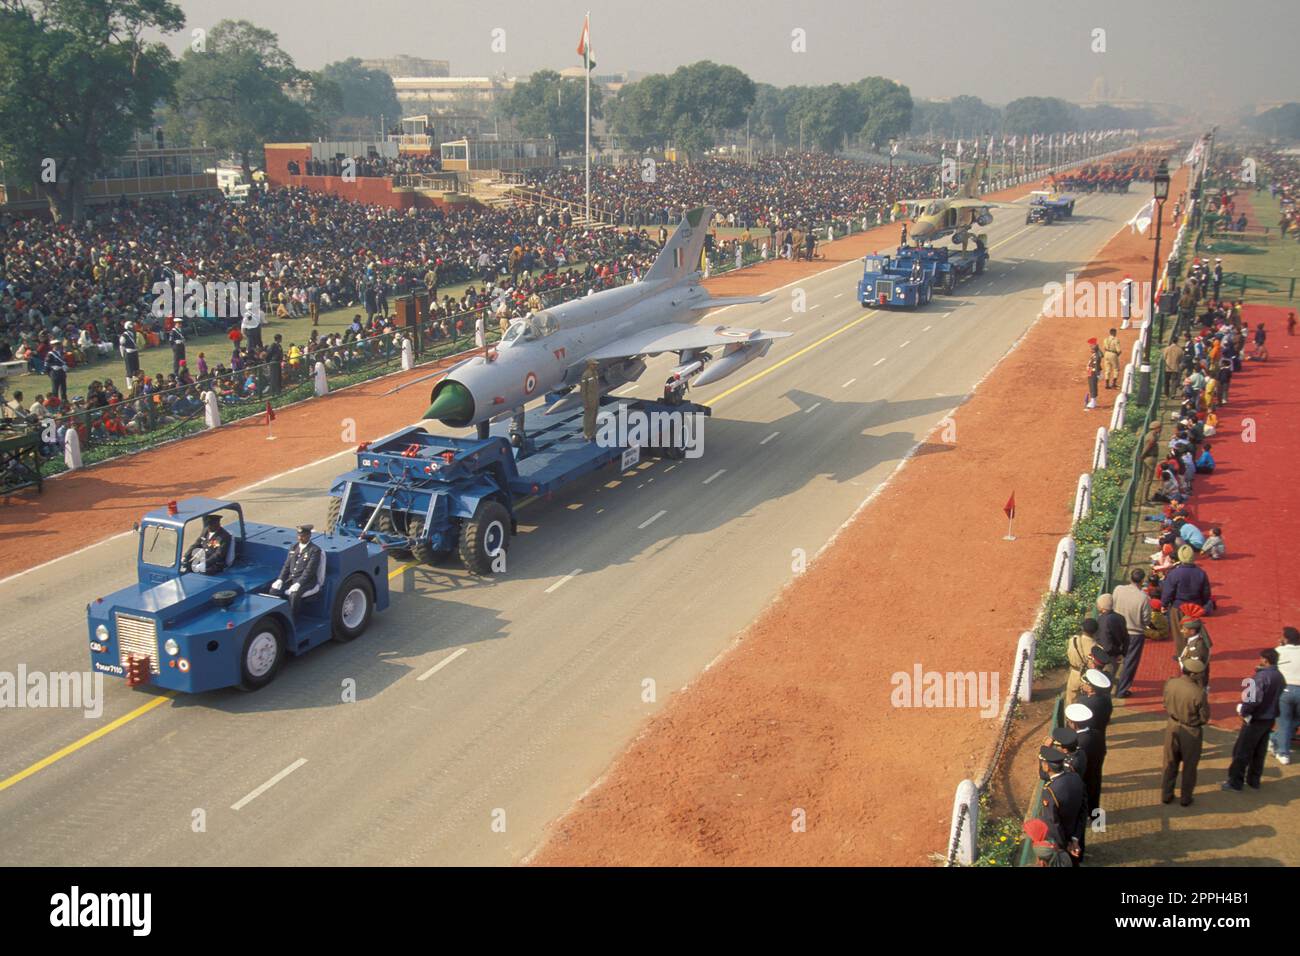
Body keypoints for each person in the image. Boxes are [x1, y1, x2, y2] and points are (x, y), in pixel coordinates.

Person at [1222, 649, 1285, 792]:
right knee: (1259, 751)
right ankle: (1254, 780)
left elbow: (1253, 699)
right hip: (1269, 719)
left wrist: (1244, 711)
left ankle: (1235, 783)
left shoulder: (1261, 677)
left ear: (1265, 660)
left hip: (1255, 719)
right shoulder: (1280, 676)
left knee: (1241, 751)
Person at [1161, 657, 1209, 806]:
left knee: (1169, 762)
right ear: (1194, 674)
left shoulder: (1171, 683)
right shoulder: (1199, 693)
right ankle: (1186, 798)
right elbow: (1205, 717)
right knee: (1189, 766)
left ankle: (1166, 794)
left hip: (1172, 725)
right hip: (1191, 730)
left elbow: (1165, 703)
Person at [1038, 745, 1085, 865]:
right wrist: (1075, 839)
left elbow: (1053, 823)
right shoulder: (1076, 777)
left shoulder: (1050, 791)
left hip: (1060, 844)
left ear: (1046, 766)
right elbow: (1083, 809)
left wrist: (1065, 845)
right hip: (1075, 835)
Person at [1161, 546, 1212, 645]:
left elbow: (1168, 591)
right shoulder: (1201, 573)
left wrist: (1164, 604)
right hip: (1194, 608)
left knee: (1179, 633)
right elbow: (1206, 592)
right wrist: (1203, 603)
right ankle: (1195, 651)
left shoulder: (1174, 573)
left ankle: (1181, 654)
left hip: (1178, 607)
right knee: (1194, 632)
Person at [1112, 569, 1151, 698]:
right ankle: (1121, 691)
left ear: (1130, 578)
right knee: (1129, 663)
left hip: (1117, 630)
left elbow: (1112, 605)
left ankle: (1105, 686)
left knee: (1113, 660)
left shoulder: (1118, 589)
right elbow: (1146, 620)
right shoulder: (1144, 598)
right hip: (1134, 634)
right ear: (1142, 581)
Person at [269, 525, 324, 617]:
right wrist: (280, 579)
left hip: (307, 581)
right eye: (299, 535)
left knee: (294, 595)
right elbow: (287, 566)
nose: (300, 538)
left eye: (303, 536)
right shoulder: (294, 547)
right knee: (273, 591)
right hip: (291, 579)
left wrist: (299, 583)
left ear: (309, 536)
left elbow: (309, 570)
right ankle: (279, 615)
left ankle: (292, 617)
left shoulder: (314, 550)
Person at [1067, 701, 1104, 817]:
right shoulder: (1097, 733)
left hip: (1083, 777)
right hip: (1095, 772)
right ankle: (1095, 819)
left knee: (1082, 802)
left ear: (1074, 724)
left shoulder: (1077, 742)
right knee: (1094, 797)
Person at [1271, 627, 1300, 766]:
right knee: (1294, 721)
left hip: (1285, 691)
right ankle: (1277, 741)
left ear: (1286, 639)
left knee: (1284, 722)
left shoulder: (1279, 651)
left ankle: (1283, 752)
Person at [1094, 595, 1127, 674]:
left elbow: (1106, 643)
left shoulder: (1102, 620)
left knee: (1102, 679)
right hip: (1117, 654)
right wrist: (1121, 653)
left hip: (1105, 656)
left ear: (1103, 608)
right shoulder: (1120, 617)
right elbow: (1126, 637)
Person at [580, 360, 601, 441]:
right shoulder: (585, 375)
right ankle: (587, 434)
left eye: (596, 364)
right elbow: (583, 390)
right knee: (588, 418)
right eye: (594, 364)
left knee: (594, 417)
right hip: (589, 400)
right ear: (590, 365)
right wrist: (585, 403)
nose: (596, 366)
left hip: (595, 399)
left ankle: (592, 433)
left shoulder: (595, 373)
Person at [45, 340, 69, 404]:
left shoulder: (61, 353)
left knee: (63, 389)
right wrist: (51, 371)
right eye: (56, 345)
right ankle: (56, 403)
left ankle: (64, 401)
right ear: (52, 345)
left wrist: (65, 366)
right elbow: (46, 364)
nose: (57, 346)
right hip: (55, 373)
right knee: (55, 390)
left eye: (58, 344)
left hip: (62, 372)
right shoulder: (50, 354)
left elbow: (65, 360)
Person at [119, 321, 140, 385]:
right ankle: (129, 384)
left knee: (136, 368)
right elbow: (121, 345)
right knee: (129, 369)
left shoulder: (134, 333)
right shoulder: (124, 335)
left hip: (135, 352)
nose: (133, 327)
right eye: (131, 326)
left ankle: (136, 382)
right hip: (128, 353)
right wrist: (123, 355)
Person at [1084, 338, 1100, 409]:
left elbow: (1097, 366)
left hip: (1092, 372)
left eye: (1091, 348)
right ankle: (1093, 401)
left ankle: (1093, 402)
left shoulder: (1096, 356)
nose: (1090, 349)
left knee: (1092, 386)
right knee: (1091, 385)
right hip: (1090, 372)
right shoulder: (1094, 355)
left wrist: (1098, 373)